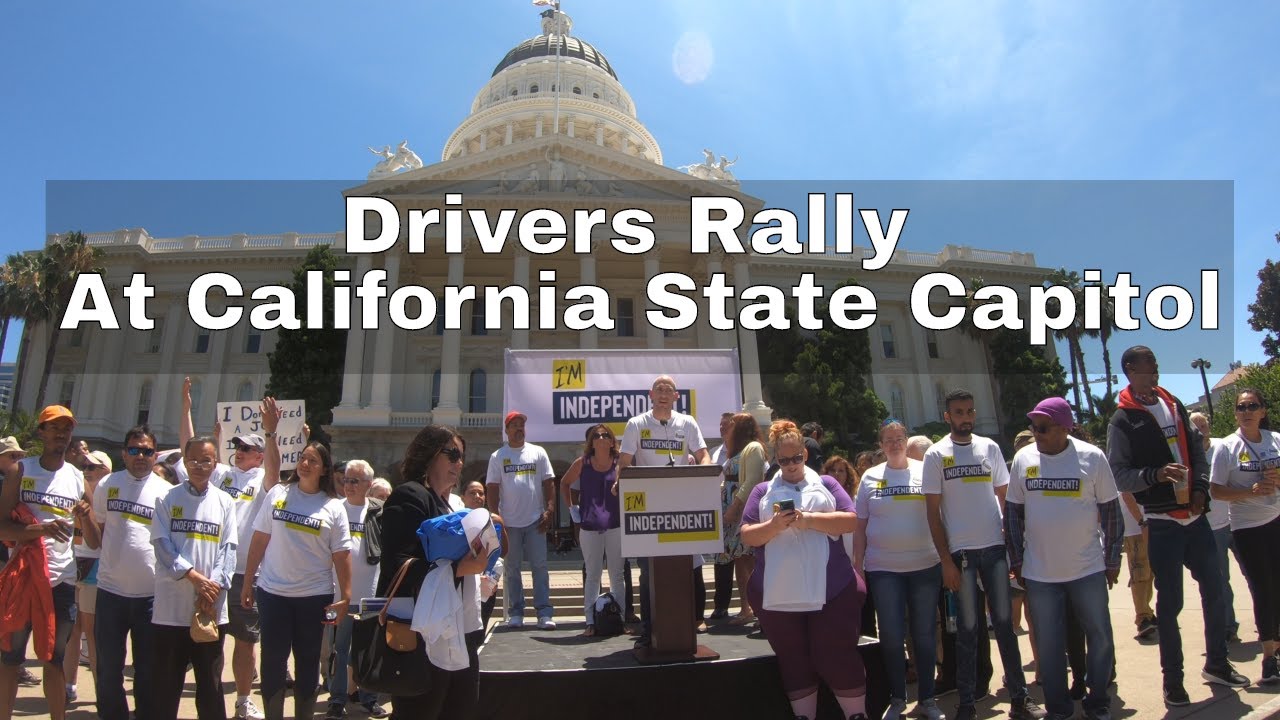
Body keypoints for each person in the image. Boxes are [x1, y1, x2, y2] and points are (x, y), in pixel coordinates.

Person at [1106, 346, 1249, 705]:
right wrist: (1156, 474)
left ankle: (1217, 663)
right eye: (1147, 367)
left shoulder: (1174, 404)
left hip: (1196, 519)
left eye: (1155, 365)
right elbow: (1120, 476)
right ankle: (1174, 682)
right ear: (1129, 372)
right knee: (1169, 606)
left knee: (1216, 593)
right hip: (1163, 523)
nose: (1154, 371)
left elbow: (1197, 454)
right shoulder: (1123, 419)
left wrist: (1200, 488)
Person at [923, 389, 1044, 720]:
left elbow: (1005, 498)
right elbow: (932, 513)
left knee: (1005, 626)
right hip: (961, 556)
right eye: (958, 412)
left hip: (994, 550)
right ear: (948, 417)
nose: (965, 417)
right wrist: (945, 560)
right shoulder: (936, 455)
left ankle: (1019, 698)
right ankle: (966, 703)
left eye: (969, 411)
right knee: (967, 630)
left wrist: (1011, 544)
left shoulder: (989, 448)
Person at [741, 420, 866, 720]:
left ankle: (857, 715)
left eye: (797, 457)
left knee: (834, 653)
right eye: (784, 460)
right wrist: (773, 526)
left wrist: (808, 520)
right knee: (794, 659)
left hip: (831, 590)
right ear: (775, 460)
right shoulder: (761, 491)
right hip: (779, 595)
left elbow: (851, 520)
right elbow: (747, 535)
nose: (792, 465)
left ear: (805, 455)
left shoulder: (828, 484)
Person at [1007, 397, 1123, 720]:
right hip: (1040, 573)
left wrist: (1112, 560)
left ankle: (1098, 701)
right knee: (1049, 644)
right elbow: (1013, 515)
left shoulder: (1092, 458)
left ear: (1063, 428)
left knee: (1099, 637)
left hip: (1087, 569)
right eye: (1033, 426)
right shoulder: (1023, 460)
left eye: (1042, 427)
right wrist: (1017, 562)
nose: (1036, 433)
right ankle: (1058, 709)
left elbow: (1111, 512)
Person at [241, 399, 351, 720]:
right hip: (273, 595)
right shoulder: (277, 494)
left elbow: (341, 556)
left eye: (313, 460)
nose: (305, 464)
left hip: (313, 599)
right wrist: (249, 581)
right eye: (303, 458)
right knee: (273, 663)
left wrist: (344, 597)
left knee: (306, 665)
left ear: (324, 469)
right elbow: (259, 540)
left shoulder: (333, 508)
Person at [377, 426, 489, 719]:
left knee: (459, 708)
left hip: (456, 629)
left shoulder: (446, 504)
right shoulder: (408, 495)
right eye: (452, 454)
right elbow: (397, 563)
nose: (459, 463)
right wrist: (462, 567)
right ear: (428, 454)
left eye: (462, 457)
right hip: (420, 633)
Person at [180, 377, 274, 720]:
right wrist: (186, 409)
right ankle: (212, 698)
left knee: (247, 640)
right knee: (208, 637)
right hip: (213, 571)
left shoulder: (262, 481)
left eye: (246, 448)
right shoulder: (220, 475)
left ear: (259, 455)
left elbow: (276, 469)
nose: (239, 452)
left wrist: (272, 432)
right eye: (236, 447)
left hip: (245, 572)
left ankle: (243, 699)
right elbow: (188, 447)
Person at [0, 406, 93, 720]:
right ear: (41, 432)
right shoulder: (21, 471)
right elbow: (1, 526)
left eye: (65, 428)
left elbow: (94, 541)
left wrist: (85, 515)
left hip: (60, 582)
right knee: (11, 658)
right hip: (23, 577)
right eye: (53, 428)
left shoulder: (78, 477)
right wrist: (38, 529)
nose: (60, 434)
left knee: (54, 659)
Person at [853, 419, 943, 720]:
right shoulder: (869, 477)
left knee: (925, 634)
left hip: (925, 566)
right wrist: (858, 566)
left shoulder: (925, 471)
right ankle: (897, 698)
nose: (894, 444)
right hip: (883, 569)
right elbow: (860, 526)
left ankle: (928, 699)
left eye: (899, 438)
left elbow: (938, 516)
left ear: (907, 440)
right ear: (881, 445)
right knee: (891, 634)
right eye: (888, 439)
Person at [616, 374, 711, 646]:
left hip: (679, 506)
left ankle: (683, 626)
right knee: (649, 570)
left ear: (676, 396)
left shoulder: (687, 422)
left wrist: (706, 471)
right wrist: (620, 483)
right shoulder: (636, 424)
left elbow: (703, 454)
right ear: (650, 394)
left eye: (669, 389)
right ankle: (649, 628)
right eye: (659, 389)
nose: (664, 393)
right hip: (647, 508)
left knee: (683, 568)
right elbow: (624, 461)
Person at [151, 436, 237, 720]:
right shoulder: (166, 498)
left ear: (216, 463)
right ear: (185, 462)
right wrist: (194, 577)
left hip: (210, 609)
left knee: (210, 685)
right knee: (166, 684)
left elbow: (229, 548)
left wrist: (212, 586)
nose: (200, 466)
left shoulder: (225, 501)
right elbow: (163, 546)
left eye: (207, 460)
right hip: (171, 609)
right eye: (194, 460)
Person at [91, 424, 171, 720]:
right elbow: (99, 528)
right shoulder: (106, 485)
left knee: (147, 670)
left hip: (150, 596)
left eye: (147, 451)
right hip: (110, 592)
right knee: (108, 668)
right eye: (135, 450)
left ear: (155, 455)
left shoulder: (167, 492)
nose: (140, 456)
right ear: (124, 454)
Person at [1209, 388, 1280, 682]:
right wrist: (1247, 492)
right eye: (1241, 407)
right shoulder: (1227, 447)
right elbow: (1215, 490)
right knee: (1263, 589)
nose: (1246, 411)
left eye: (1252, 405)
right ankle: (1269, 658)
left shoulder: (1276, 440)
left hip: (1276, 518)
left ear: (1263, 411)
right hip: (1247, 527)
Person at [325, 459, 387, 719]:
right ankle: (336, 699)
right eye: (346, 480)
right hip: (339, 596)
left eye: (355, 481)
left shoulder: (379, 512)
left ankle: (368, 697)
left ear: (368, 485)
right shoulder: (333, 509)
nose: (348, 485)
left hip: (370, 595)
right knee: (338, 651)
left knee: (368, 650)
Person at [485, 410, 556, 630]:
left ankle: (544, 612)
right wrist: (496, 518)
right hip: (509, 524)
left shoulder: (538, 452)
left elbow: (549, 483)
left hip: (535, 520)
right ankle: (516, 612)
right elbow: (492, 488)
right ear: (506, 430)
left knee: (540, 567)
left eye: (521, 425)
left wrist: (550, 511)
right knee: (512, 568)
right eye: (514, 425)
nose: (519, 428)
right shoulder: (498, 456)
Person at [560, 424, 623, 637]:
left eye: (606, 435)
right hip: (589, 527)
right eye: (597, 435)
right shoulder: (582, 463)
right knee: (593, 574)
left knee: (617, 574)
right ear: (591, 442)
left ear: (612, 440)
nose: (601, 438)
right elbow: (564, 484)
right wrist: (573, 511)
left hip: (616, 525)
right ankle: (590, 621)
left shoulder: (619, 463)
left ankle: (619, 618)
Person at [63, 449, 111, 702]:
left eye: (94, 467)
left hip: (95, 567)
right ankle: (68, 685)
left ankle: (99, 688)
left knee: (92, 632)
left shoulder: (106, 494)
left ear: (107, 470)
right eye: (86, 467)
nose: (88, 471)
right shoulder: (73, 490)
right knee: (73, 630)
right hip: (73, 564)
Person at [1191, 411, 1240, 643]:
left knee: (1258, 575)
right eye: (1196, 427)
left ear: (1209, 425)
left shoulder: (1224, 447)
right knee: (1221, 581)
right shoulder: (1190, 457)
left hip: (1238, 520)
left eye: (1203, 425)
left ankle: (1271, 624)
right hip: (1212, 528)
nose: (1201, 430)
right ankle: (1228, 625)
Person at [717, 412, 768, 625]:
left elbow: (752, 481)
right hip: (731, 511)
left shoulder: (754, 448)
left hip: (743, 511)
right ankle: (746, 608)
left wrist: (736, 507)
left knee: (749, 561)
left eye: (734, 423)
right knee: (739, 560)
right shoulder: (736, 450)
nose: (729, 426)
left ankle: (759, 610)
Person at [461, 480, 502, 627]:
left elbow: (503, 551)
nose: (477, 496)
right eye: (472, 493)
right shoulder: (456, 519)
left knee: (481, 629)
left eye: (481, 493)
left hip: (487, 580)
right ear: (462, 497)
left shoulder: (495, 520)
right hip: (464, 581)